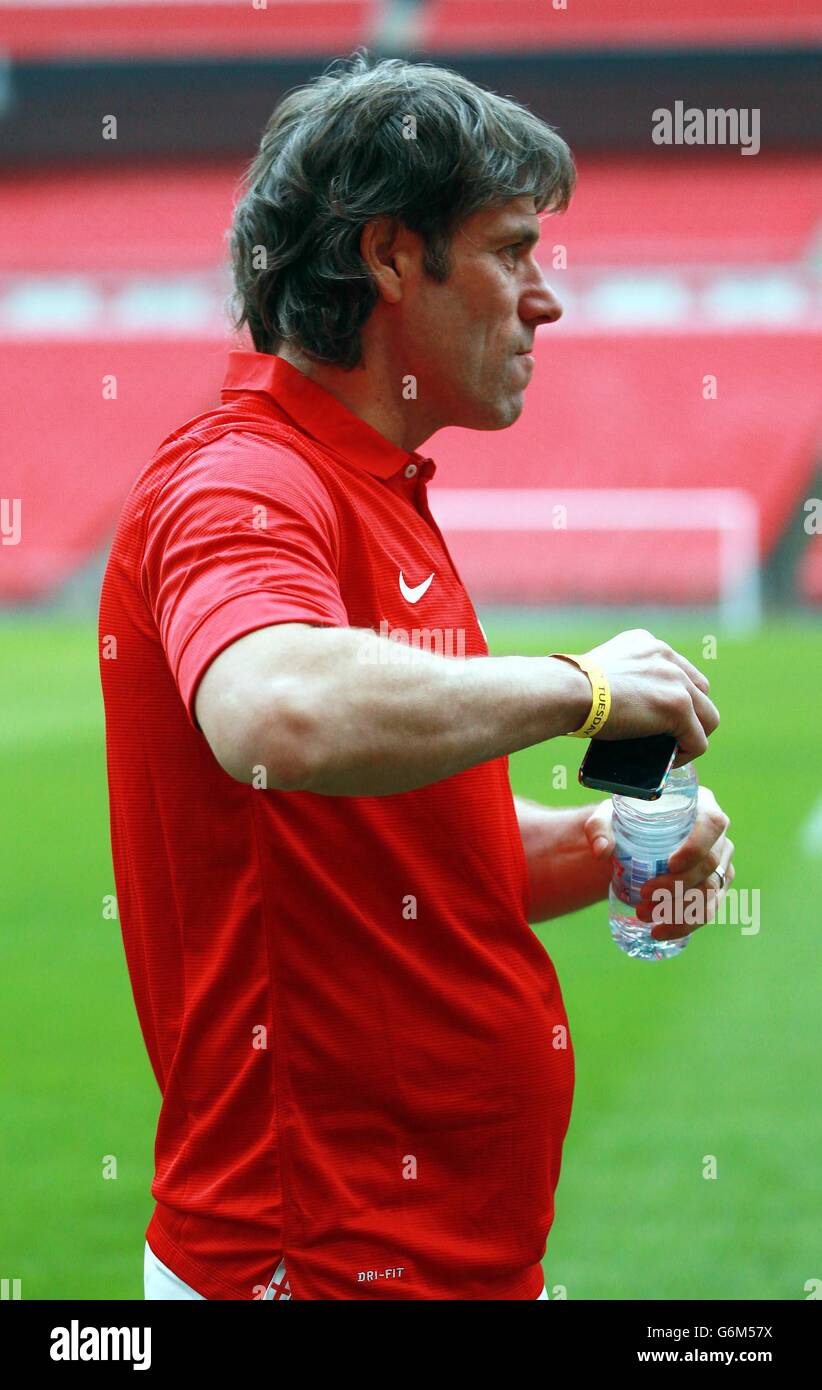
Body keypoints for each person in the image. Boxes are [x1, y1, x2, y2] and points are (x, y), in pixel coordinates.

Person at [98, 51, 734, 1301]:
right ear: (392, 256)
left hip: (447, 1259)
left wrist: (609, 836)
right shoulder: (245, 478)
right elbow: (274, 708)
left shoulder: (370, 487)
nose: (543, 300)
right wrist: (584, 689)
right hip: (315, 1261)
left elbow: (410, 865)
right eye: (511, 250)